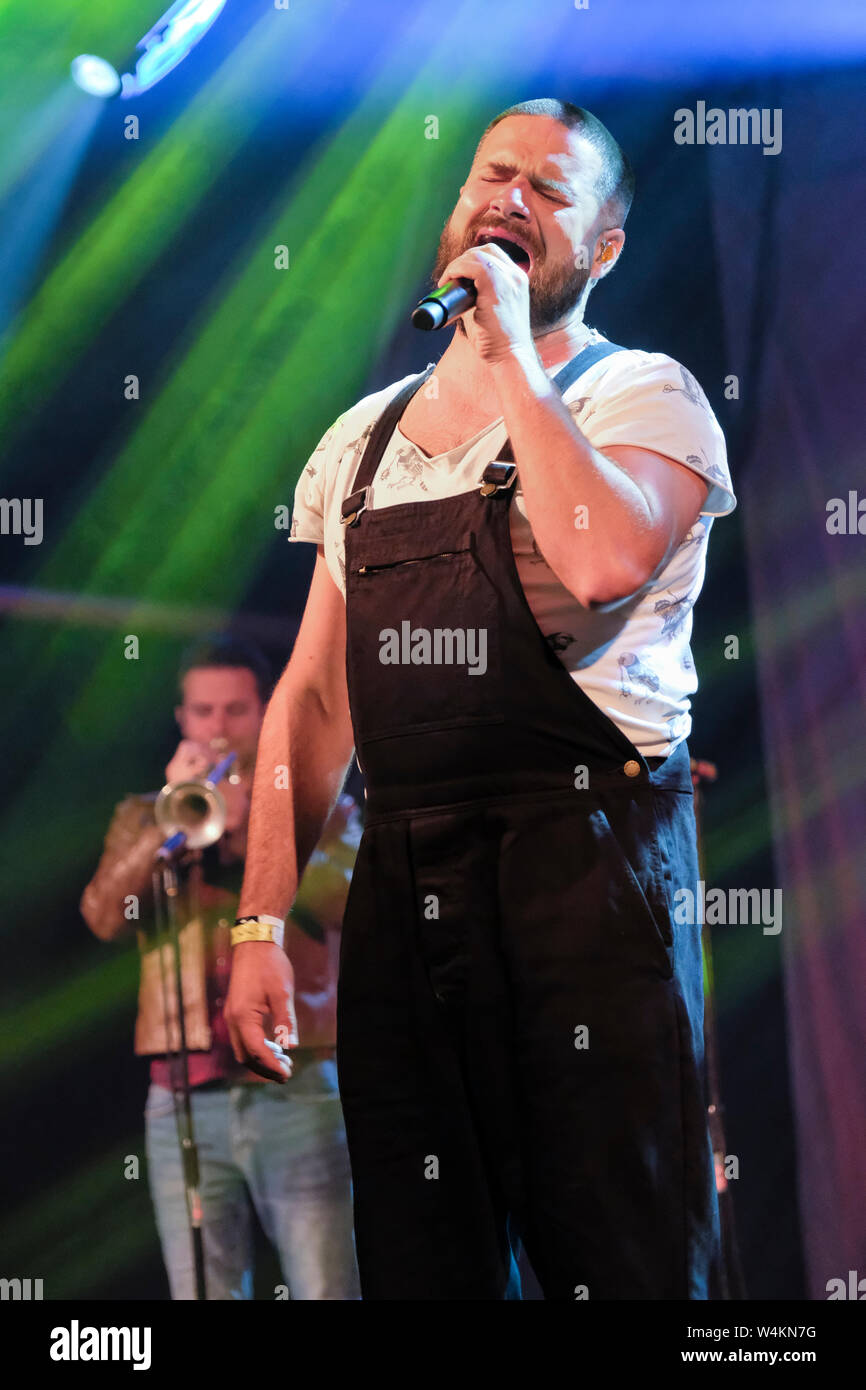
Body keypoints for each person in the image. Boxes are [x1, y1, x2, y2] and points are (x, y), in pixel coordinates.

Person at [225, 98, 738, 1300]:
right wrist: (258, 925)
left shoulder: (643, 397)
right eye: (491, 174)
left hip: (590, 869)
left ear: (602, 246)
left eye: (550, 189)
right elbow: (308, 702)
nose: (509, 197)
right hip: (409, 890)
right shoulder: (361, 437)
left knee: (620, 1253)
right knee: (423, 1260)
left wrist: (511, 356)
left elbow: (600, 560)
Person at [81, 634, 361, 1300]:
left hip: (297, 1085)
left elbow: (346, 899)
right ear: (181, 720)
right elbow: (103, 916)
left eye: (235, 710)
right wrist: (167, 830)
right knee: (200, 1292)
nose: (217, 728)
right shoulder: (143, 816)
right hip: (181, 1096)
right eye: (202, 712)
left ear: (266, 712)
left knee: (326, 1287)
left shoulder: (323, 810)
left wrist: (248, 827)